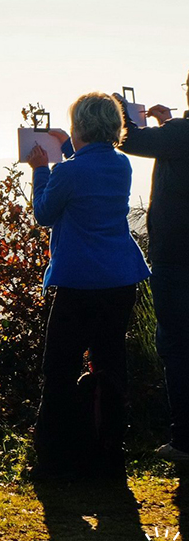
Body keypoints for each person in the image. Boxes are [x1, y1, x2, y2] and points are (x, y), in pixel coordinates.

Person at [26, 92, 150, 480]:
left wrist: (41, 169)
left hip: (79, 282)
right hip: (120, 278)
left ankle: (54, 461)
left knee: (59, 368)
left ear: (79, 127)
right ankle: (110, 455)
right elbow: (90, 163)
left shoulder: (66, 172)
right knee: (110, 363)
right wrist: (65, 145)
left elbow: (44, 213)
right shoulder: (122, 165)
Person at [115, 72, 189, 462]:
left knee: (177, 346)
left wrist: (120, 110)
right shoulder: (177, 133)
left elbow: (131, 141)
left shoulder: (180, 133)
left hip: (177, 257)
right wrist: (166, 124)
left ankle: (185, 440)